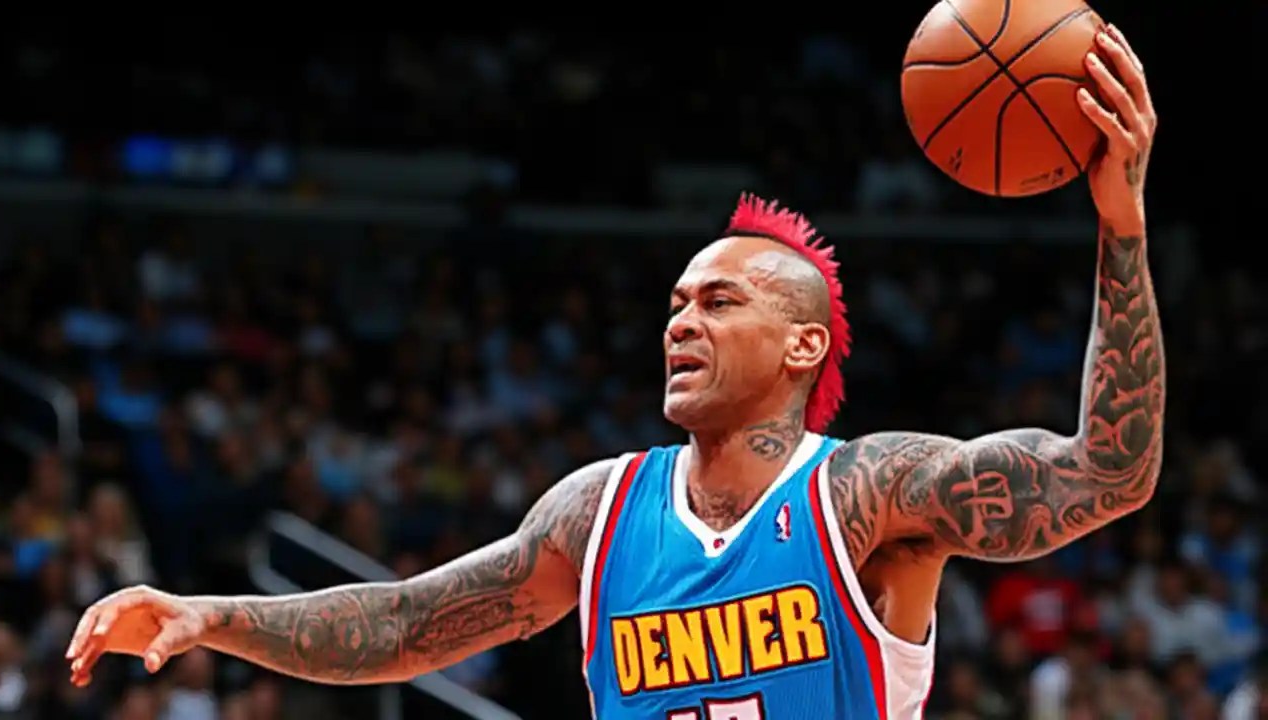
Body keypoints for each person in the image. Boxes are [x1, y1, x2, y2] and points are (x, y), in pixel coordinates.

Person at [65, 25, 1163, 720]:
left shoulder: (869, 496)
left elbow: (1104, 474)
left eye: (718, 301)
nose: (680, 321)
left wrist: (1118, 234)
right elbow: (404, 627)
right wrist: (211, 616)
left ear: (804, 345)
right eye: (676, 302)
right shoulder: (599, 513)